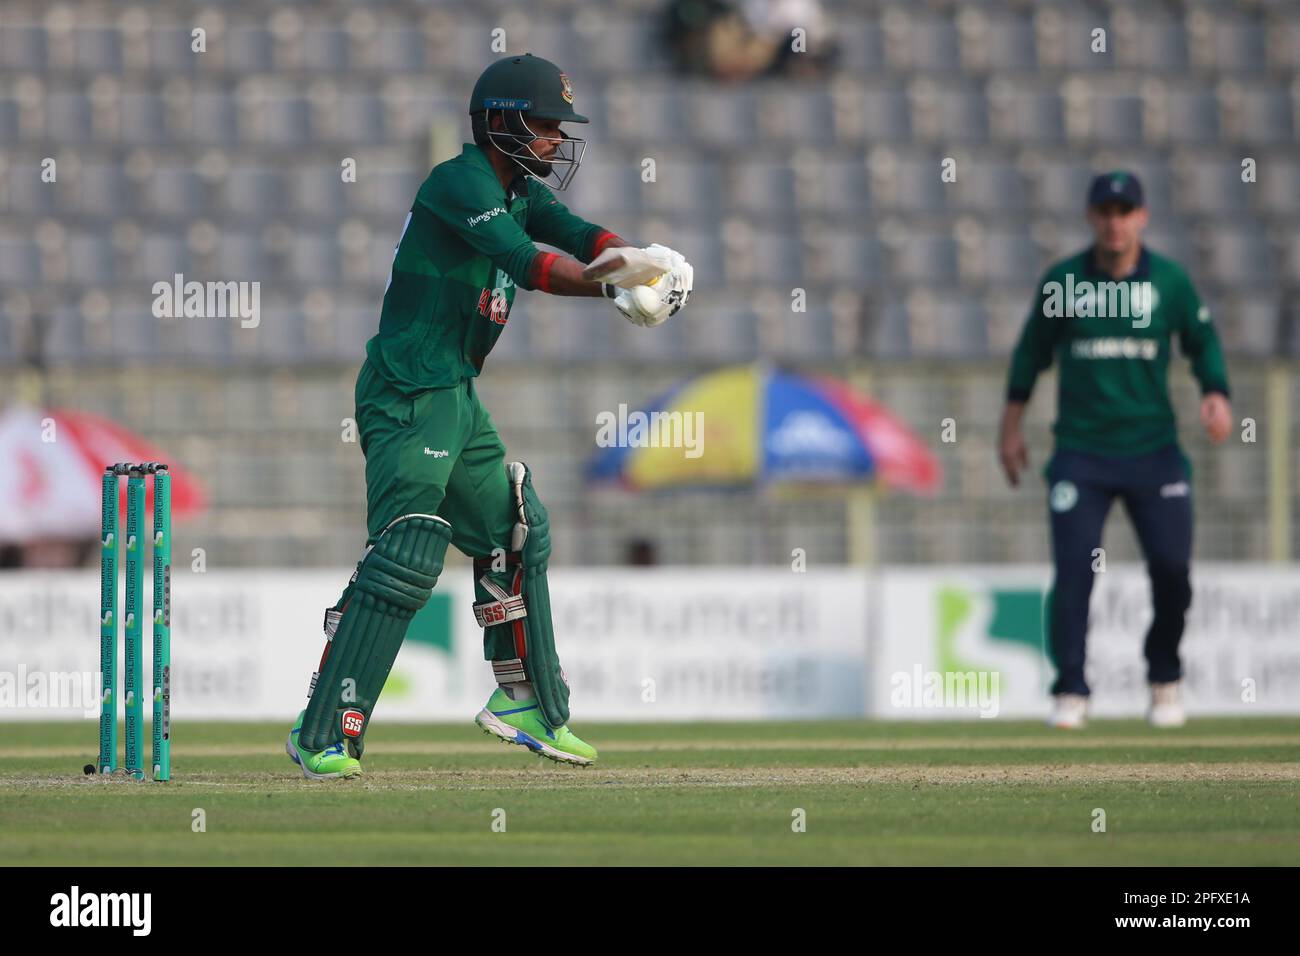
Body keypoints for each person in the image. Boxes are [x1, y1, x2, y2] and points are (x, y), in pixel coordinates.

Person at [286, 54, 693, 778]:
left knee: (515, 529)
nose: (553, 140)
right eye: (541, 125)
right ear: (497, 121)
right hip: (407, 390)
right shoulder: (460, 182)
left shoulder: (519, 193)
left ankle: (524, 704)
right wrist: (616, 285)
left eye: (557, 128)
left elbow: (577, 233)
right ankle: (324, 731)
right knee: (407, 550)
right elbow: (533, 266)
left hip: (455, 393)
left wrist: (639, 257)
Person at [998, 171, 1232, 730]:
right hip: (1081, 452)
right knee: (1075, 571)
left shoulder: (1170, 283)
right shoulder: (1065, 282)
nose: (1114, 221)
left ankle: (1164, 679)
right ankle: (1071, 691)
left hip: (1154, 451)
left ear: (1143, 217)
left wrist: (1217, 393)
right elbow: (1030, 355)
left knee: (1173, 570)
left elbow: (1203, 342)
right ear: (1090, 217)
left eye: (1125, 211)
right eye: (1105, 210)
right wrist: (1010, 429)